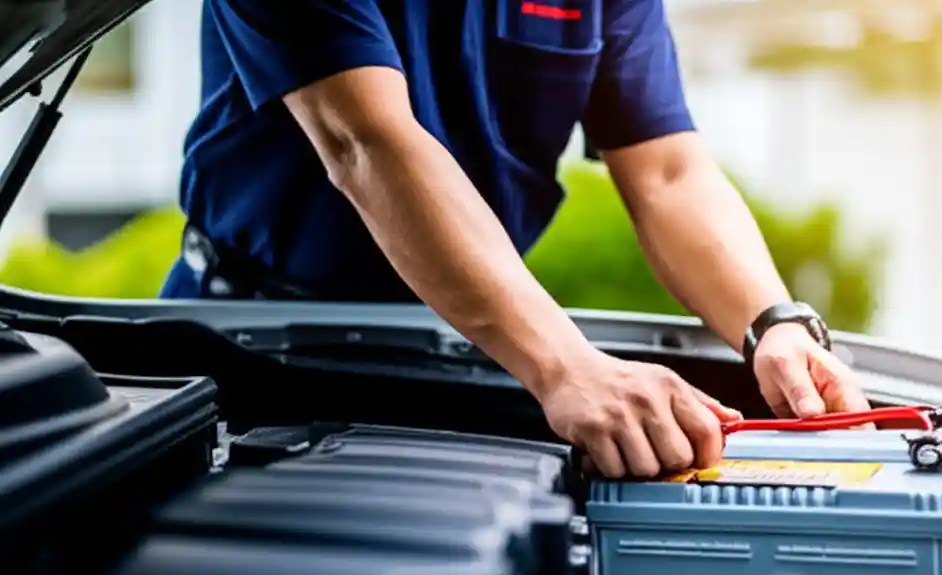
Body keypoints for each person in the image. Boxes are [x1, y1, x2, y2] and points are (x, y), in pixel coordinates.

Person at [160, 0, 871, 478]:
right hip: (257, 347)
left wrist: (774, 323)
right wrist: (567, 369)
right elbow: (367, 143)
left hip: (477, 341)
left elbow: (666, 172)